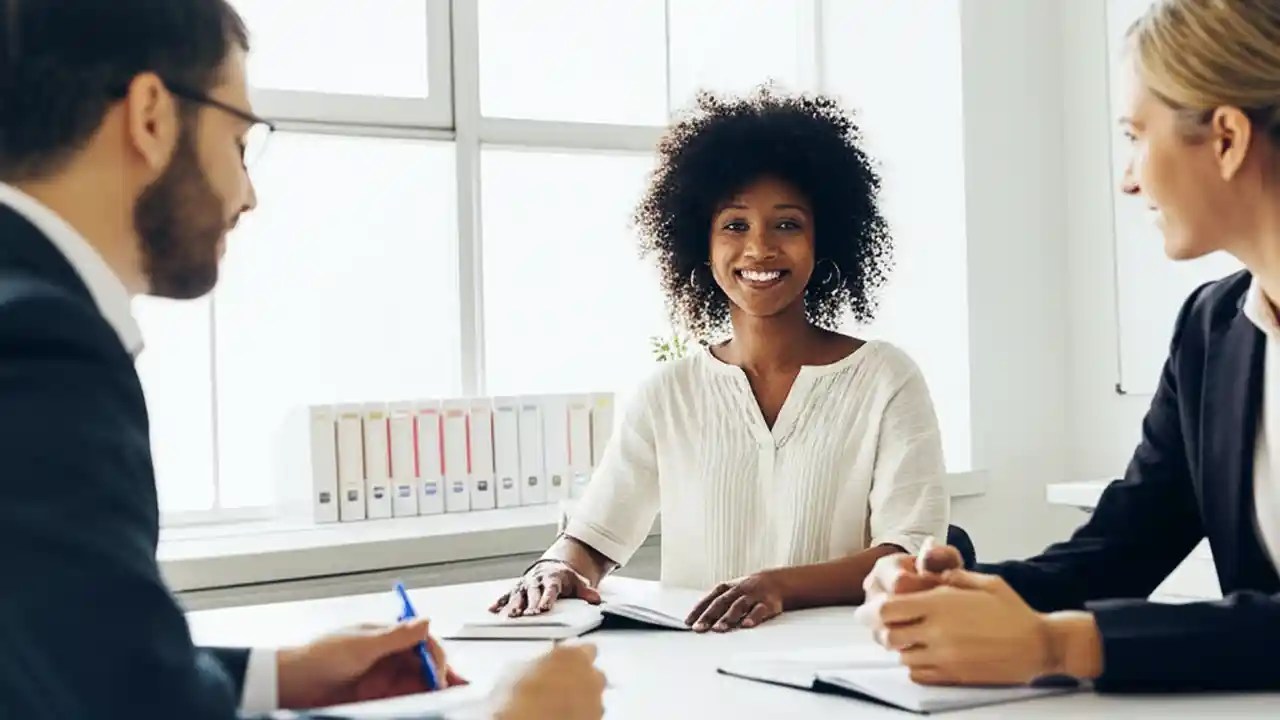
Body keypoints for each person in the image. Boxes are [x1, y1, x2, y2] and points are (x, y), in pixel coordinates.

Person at [0, 1, 605, 718]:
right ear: (152, 117)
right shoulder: (42, 347)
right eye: (240, 142)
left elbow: (81, 664)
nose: (248, 195)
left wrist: (281, 676)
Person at [858, 0, 1280, 692]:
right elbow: (1122, 549)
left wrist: (1060, 646)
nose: (1128, 178)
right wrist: (960, 591)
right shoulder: (1212, 330)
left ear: (1227, 139)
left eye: (1135, 136)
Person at [491, 87, 949, 633]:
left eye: (787, 224)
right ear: (701, 244)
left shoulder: (886, 379)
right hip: (697, 665)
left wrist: (777, 586)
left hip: (839, 661)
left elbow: (907, 553)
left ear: (823, 238)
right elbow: (592, 538)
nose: (759, 248)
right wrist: (555, 567)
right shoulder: (669, 394)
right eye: (735, 225)